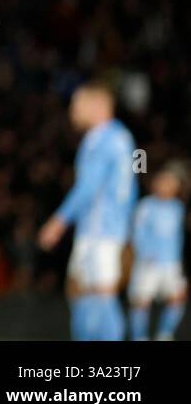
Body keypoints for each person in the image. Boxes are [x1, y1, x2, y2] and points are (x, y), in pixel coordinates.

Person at [38, 80, 137, 341]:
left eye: (77, 105)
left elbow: (88, 186)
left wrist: (58, 221)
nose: (73, 111)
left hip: (98, 229)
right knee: (85, 293)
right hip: (111, 228)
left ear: (97, 106)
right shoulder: (122, 137)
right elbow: (130, 189)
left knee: (98, 294)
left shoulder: (101, 139)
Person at [127, 163, 186, 340]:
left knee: (177, 298)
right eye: (162, 181)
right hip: (148, 263)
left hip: (171, 264)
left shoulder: (177, 208)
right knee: (141, 302)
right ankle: (139, 337)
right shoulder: (145, 206)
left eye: (170, 182)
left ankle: (164, 334)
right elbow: (137, 234)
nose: (165, 186)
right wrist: (145, 253)